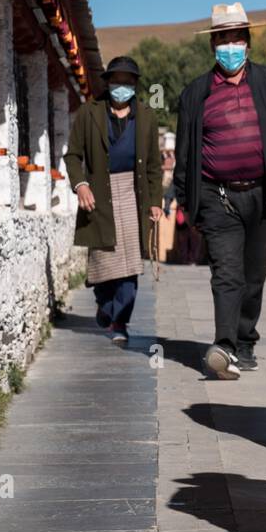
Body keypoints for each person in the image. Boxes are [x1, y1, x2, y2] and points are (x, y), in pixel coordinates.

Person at [172, 3, 266, 379]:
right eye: (222, 39)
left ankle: (246, 338)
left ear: (248, 43)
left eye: (236, 38)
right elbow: (186, 154)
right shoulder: (195, 95)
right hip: (216, 196)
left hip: (263, 195)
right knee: (226, 273)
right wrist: (187, 203)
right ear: (212, 47)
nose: (230, 46)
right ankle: (224, 345)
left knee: (254, 275)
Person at [63, 56, 164, 345]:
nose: (122, 86)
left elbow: (154, 165)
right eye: (117, 80)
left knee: (131, 265)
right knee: (104, 262)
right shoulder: (89, 113)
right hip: (100, 193)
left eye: (128, 81)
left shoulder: (146, 116)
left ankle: (120, 321)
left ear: (135, 84)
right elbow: (73, 156)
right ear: (108, 83)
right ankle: (105, 304)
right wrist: (80, 184)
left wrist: (155, 201)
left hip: (134, 193)